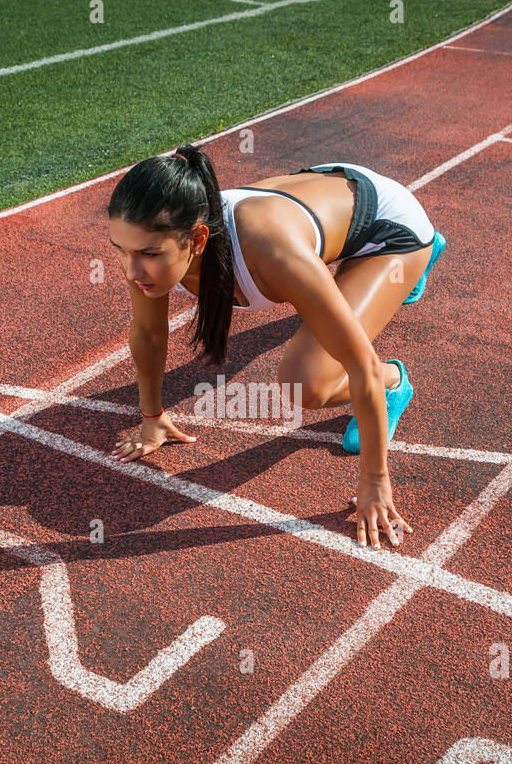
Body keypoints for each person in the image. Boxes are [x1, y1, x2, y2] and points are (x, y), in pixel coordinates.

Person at [106, 143, 447, 549]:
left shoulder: (273, 252)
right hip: (325, 192)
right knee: (319, 311)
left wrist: (375, 481)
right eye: (122, 251)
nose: (132, 270)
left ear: (197, 239)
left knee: (305, 384)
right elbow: (148, 333)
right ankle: (378, 284)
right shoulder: (152, 245)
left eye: (147, 254)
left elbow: (362, 367)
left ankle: (402, 338)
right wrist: (151, 417)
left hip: (387, 231)